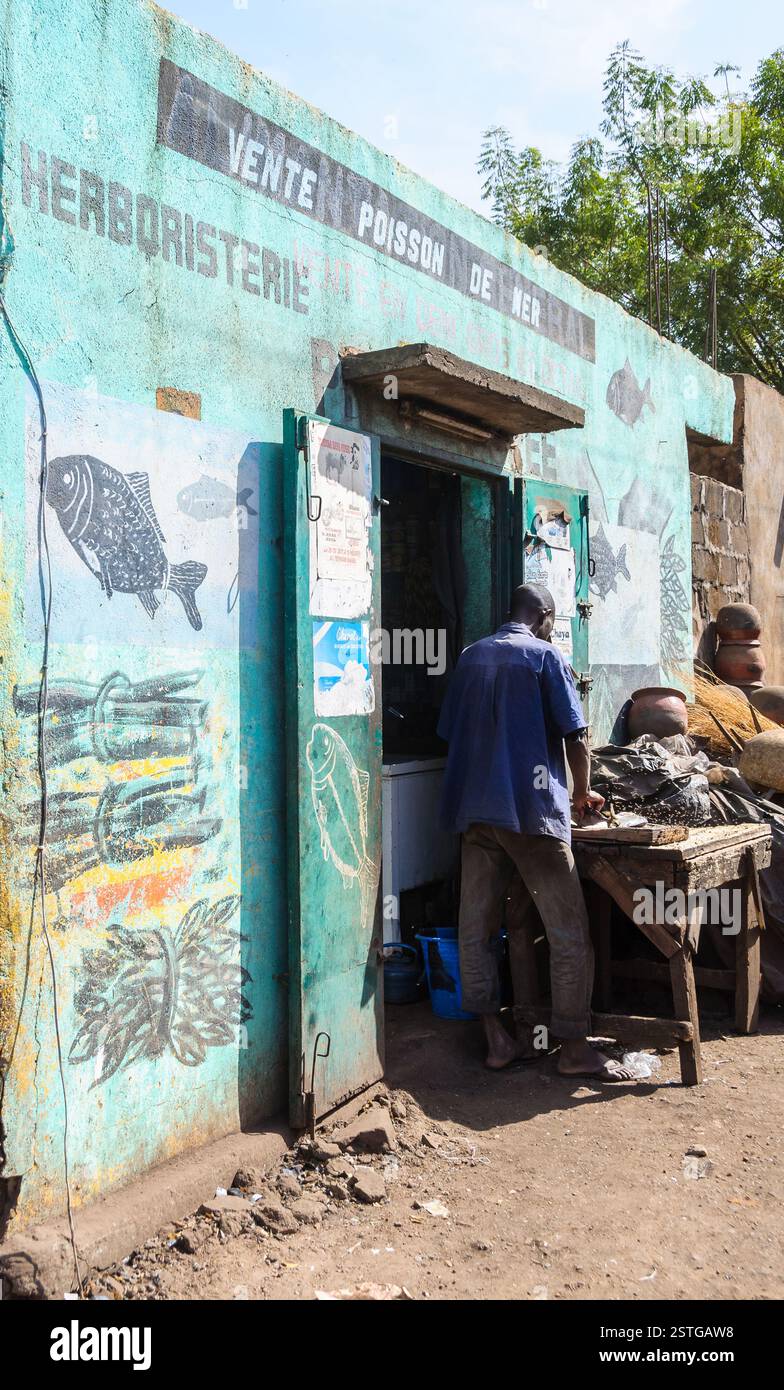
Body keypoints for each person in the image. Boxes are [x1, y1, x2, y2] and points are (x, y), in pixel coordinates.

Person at [437, 583, 635, 1082]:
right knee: (569, 932)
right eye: (552, 619)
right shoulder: (546, 657)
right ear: (544, 616)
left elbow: (449, 732)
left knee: (475, 931)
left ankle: (498, 1041)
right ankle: (572, 1047)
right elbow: (577, 736)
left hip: (476, 815)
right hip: (531, 817)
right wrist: (581, 794)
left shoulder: (470, 657)